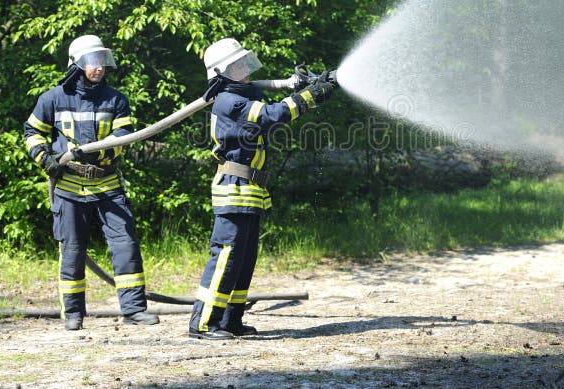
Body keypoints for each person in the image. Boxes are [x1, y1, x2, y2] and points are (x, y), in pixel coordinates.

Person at [189, 38, 336, 340]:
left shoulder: (242, 95)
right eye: (237, 64)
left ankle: (230, 320)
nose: (244, 68)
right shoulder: (228, 101)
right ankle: (203, 324)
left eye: (245, 62)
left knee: (244, 259)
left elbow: (271, 105)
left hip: (250, 188)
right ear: (223, 72)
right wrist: (311, 95)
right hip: (234, 188)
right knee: (227, 256)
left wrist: (303, 88)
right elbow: (273, 115)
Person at [24, 34, 160, 331]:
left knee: (126, 245)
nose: (98, 67)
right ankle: (73, 314)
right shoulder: (52, 98)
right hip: (69, 188)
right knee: (72, 251)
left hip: (107, 185)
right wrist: (45, 159)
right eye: (91, 62)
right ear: (76, 64)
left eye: (101, 61)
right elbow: (31, 133)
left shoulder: (116, 99)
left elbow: (124, 137)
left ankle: (134, 310)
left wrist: (97, 150)